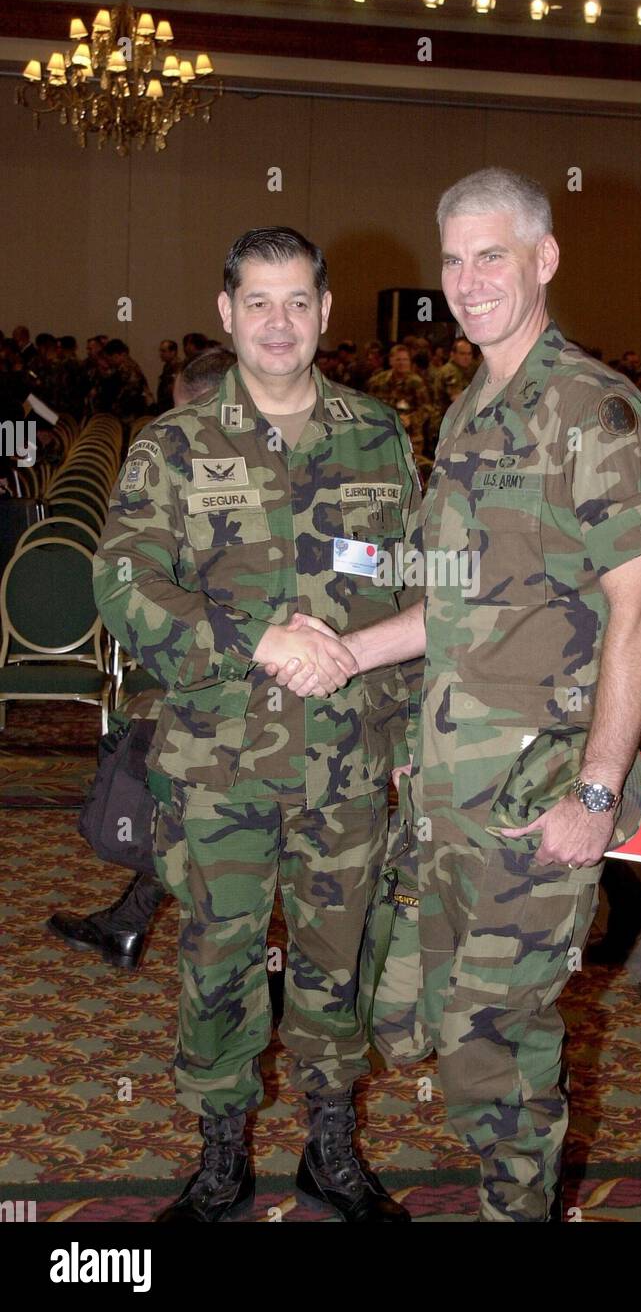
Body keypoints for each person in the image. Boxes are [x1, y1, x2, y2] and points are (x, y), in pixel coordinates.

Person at [275, 169, 641, 1221]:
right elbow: (457, 609)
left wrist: (598, 795)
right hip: (451, 792)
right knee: (439, 1033)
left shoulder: (593, 411)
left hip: (538, 798)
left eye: (491, 255)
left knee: (498, 1055)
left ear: (544, 259)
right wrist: (350, 654)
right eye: (451, 259)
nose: (467, 280)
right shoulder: (467, 413)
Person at [93, 226, 422, 1224]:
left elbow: (418, 590)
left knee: (339, 956)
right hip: (217, 763)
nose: (279, 323)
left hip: (348, 759)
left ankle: (331, 1147)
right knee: (219, 954)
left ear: (324, 312)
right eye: (258, 303)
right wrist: (254, 636)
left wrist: (408, 748)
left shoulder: (381, 435)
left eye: (298, 303)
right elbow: (121, 581)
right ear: (228, 313)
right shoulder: (174, 445)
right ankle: (220, 1154)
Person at [46, 351, 239, 972]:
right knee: (191, 813)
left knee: (222, 825)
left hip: (237, 686)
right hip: (218, 680)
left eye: (179, 408)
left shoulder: (224, 473)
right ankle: (128, 924)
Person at [366, 343, 424, 408]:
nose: (402, 363)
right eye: (398, 359)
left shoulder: (416, 382)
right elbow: (368, 406)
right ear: (390, 361)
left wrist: (410, 418)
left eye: (405, 360)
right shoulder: (377, 381)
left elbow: (426, 408)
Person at [156, 339, 180, 413]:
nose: (161, 354)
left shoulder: (177, 367)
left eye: (163, 351)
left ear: (173, 352)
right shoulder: (167, 366)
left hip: (171, 406)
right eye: (160, 351)